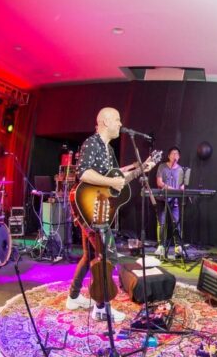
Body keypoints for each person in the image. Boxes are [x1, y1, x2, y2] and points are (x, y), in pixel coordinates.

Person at [66, 107, 154, 322]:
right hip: (90, 208)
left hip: (100, 205)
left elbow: (116, 176)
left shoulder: (109, 150)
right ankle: (101, 307)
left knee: (89, 256)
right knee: (108, 256)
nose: (120, 124)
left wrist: (139, 168)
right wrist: (112, 182)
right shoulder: (92, 143)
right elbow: (84, 173)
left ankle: (73, 296)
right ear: (105, 121)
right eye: (117, 120)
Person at [154, 146, 185, 258]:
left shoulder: (181, 169)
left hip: (174, 201)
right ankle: (161, 246)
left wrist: (182, 188)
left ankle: (178, 247)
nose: (174, 156)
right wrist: (171, 188)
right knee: (161, 223)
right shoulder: (162, 166)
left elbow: (182, 185)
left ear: (179, 156)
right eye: (172, 153)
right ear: (168, 156)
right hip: (162, 199)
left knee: (176, 223)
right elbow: (159, 182)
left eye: (176, 154)